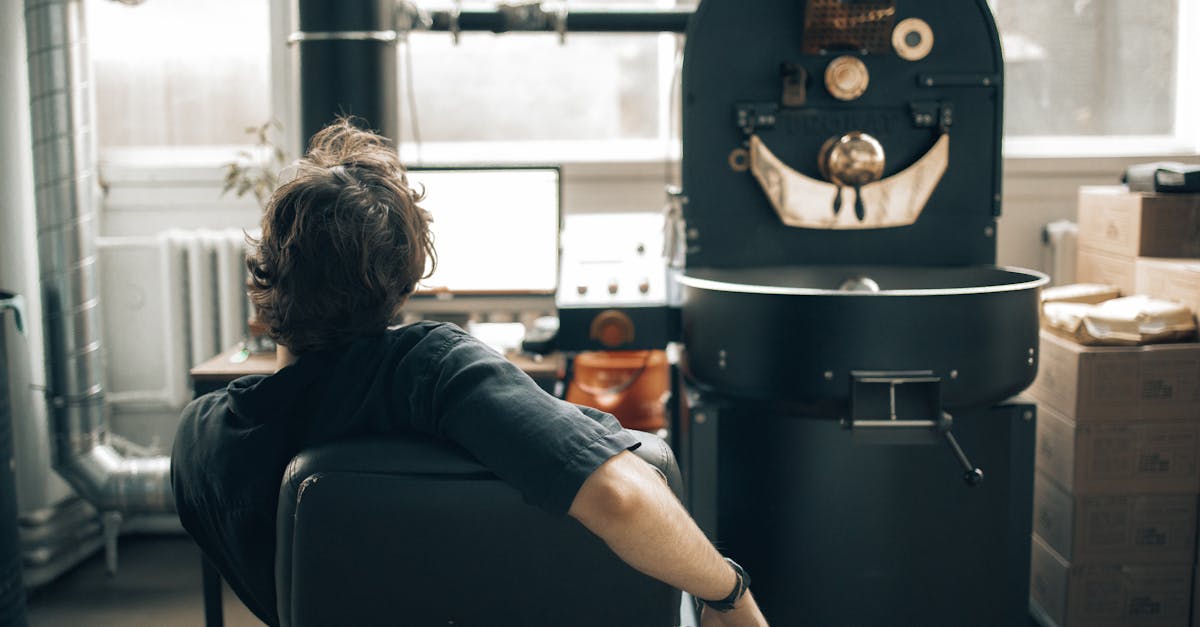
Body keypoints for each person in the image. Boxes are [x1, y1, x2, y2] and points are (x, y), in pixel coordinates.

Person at [171, 118, 769, 627]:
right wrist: (730, 596)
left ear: (263, 281)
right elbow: (617, 491)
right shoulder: (431, 371)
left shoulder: (202, 447)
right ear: (403, 283)